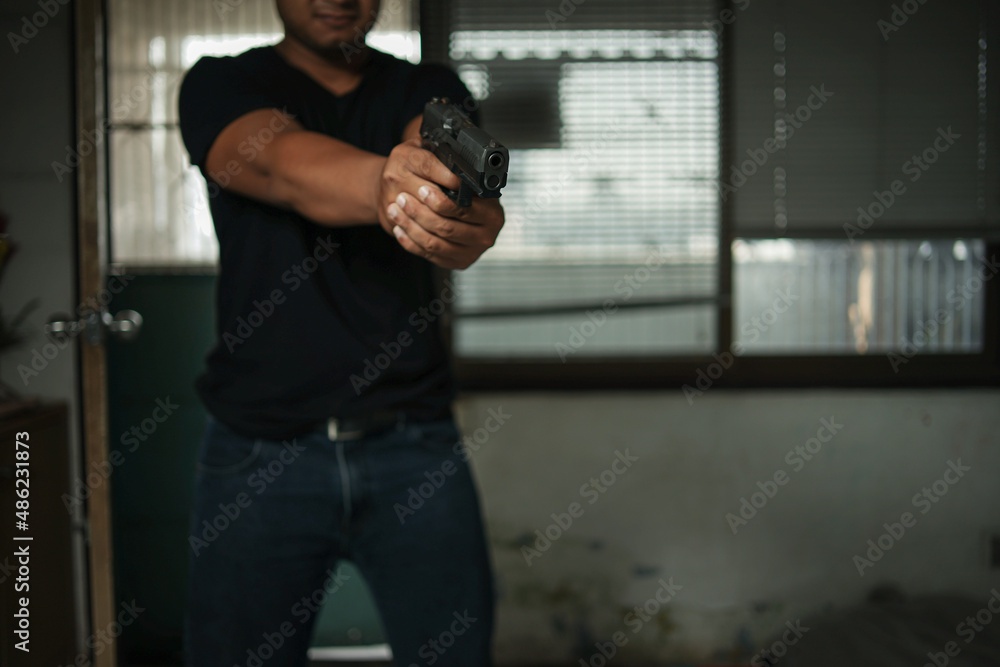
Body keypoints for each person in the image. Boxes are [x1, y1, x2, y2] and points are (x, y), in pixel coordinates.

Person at [177, 0, 502, 664]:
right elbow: (280, 167)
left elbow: (436, 145)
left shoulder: (426, 86)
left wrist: (456, 206)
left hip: (414, 440)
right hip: (259, 450)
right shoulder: (221, 82)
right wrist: (392, 186)